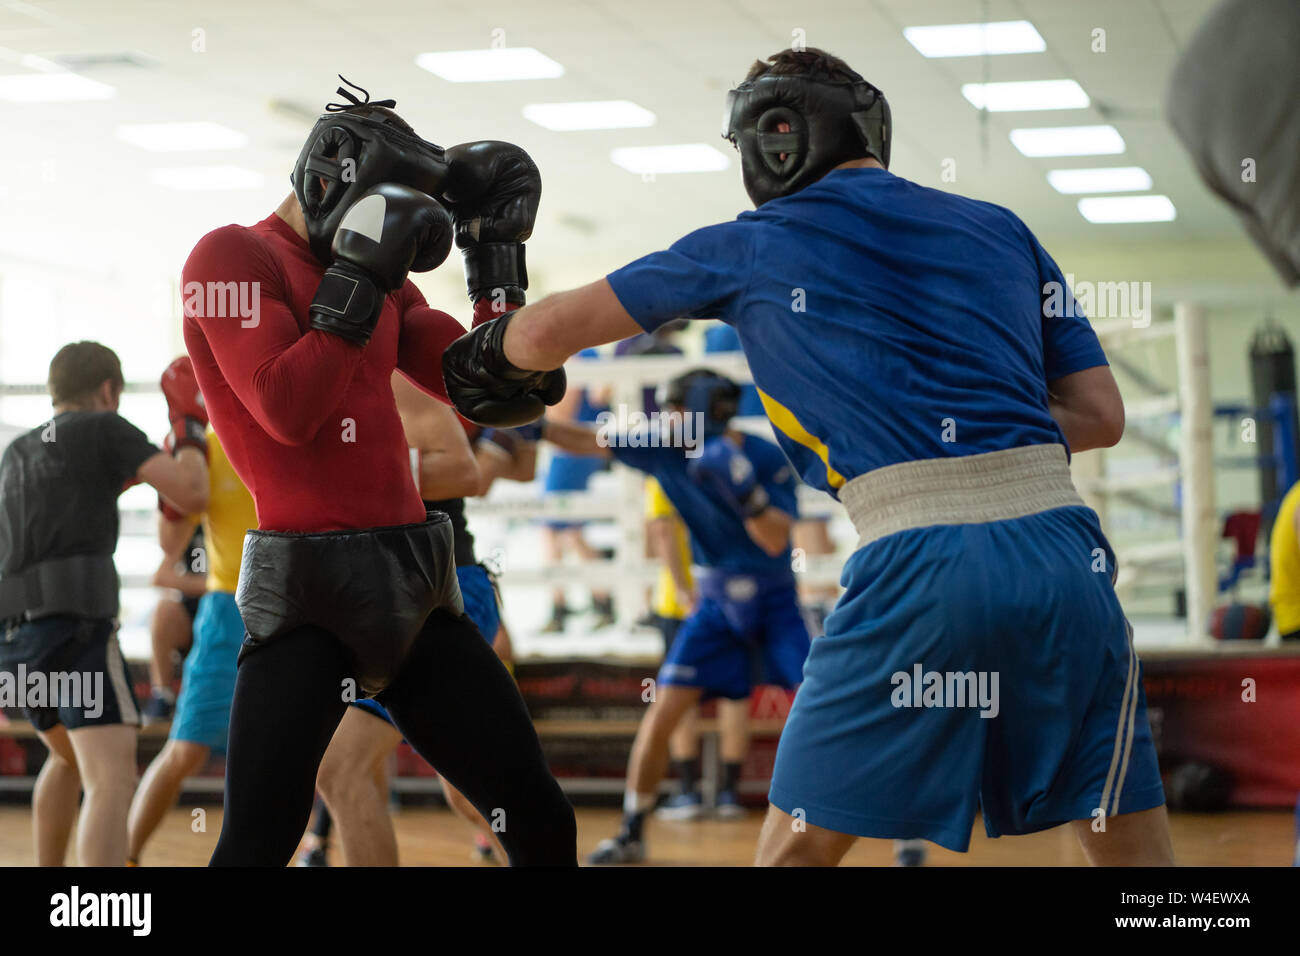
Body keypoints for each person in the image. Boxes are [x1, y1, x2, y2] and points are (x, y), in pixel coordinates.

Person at [441, 47, 1174, 866]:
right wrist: (974, 426)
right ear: (867, 125)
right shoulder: (1003, 228)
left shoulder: (751, 244)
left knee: (795, 852)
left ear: (767, 144)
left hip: (919, 559)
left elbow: (536, 339)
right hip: (1066, 555)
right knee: (1133, 855)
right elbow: (1100, 416)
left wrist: (489, 298)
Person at [181, 78, 575, 866]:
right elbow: (286, 409)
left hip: (418, 589)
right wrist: (360, 277)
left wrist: (496, 269)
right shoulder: (232, 255)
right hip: (306, 598)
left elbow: (490, 391)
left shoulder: (385, 277)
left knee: (537, 813)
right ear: (330, 177)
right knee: (257, 842)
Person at [535, 369, 811, 864]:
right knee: (663, 712)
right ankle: (632, 830)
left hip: (775, 600)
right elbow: (587, 440)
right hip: (714, 603)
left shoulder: (764, 456)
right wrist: (528, 425)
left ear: (709, 410)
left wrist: (744, 491)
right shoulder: (664, 448)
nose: (666, 418)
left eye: (676, 409)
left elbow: (775, 539)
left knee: (819, 707)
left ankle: (898, 832)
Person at [301, 376, 537, 867]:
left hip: (440, 592)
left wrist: (345, 471)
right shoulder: (295, 383)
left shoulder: (394, 378)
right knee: (470, 790)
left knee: (342, 770)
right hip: (385, 598)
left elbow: (467, 474)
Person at [0, 344, 208, 866]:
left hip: (15, 647)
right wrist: (188, 427)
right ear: (109, 391)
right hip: (77, 636)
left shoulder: (18, 452)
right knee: (111, 780)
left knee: (67, 761)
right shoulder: (104, 429)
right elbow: (192, 492)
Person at [128, 359, 257, 865]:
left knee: (326, 759)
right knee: (185, 751)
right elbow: (169, 544)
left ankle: (317, 843)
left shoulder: (290, 425)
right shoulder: (202, 448)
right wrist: (185, 441)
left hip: (300, 601)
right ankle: (126, 857)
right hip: (227, 607)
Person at [141, 523, 206, 723]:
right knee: (163, 610)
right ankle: (163, 695)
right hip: (197, 612)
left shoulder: (240, 519)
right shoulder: (193, 525)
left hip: (233, 612)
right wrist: (215, 584)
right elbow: (161, 576)